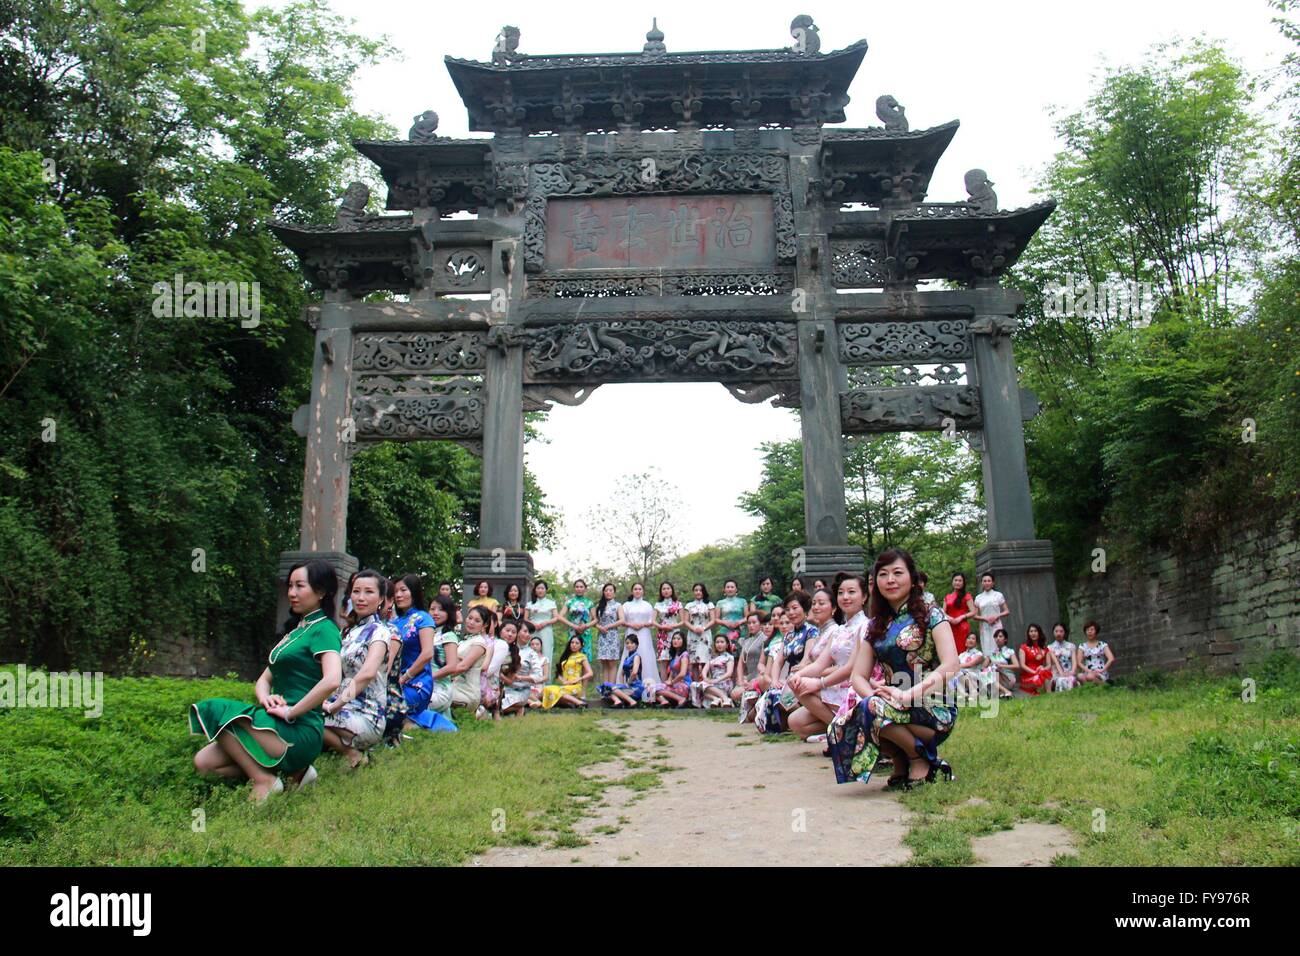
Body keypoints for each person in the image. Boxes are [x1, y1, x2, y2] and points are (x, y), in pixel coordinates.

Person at [191, 560, 342, 801]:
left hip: (300, 729)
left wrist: (292, 712)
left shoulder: (323, 629)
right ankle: (294, 775)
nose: (291, 593)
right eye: (290, 586)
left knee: (216, 710)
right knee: (204, 763)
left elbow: (332, 680)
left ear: (321, 592)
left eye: (300, 586)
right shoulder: (294, 633)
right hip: (274, 720)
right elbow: (263, 680)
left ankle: (265, 781)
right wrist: (267, 698)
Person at [827, 549, 959, 789]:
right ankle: (901, 760)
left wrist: (907, 695)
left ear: (912, 577)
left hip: (931, 706)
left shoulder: (932, 614)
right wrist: (874, 696)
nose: (890, 580)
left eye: (898, 573)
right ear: (875, 582)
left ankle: (921, 760)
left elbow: (952, 664)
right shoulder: (876, 624)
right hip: (890, 703)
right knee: (851, 717)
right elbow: (858, 675)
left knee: (872, 709)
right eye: (883, 574)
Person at [323, 570, 393, 767]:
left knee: (309, 720)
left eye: (369, 592)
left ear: (381, 599)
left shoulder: (380, 632)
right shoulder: (348, 632)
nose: (361, 598)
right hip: (340, 705)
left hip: (367, 713)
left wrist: (335, 705)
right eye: (356, 591)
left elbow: (367, 673)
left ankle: (352, 754)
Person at [787, 585, 860, 740]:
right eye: (814, 603)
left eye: (821, 603)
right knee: (795, 722)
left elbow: (843, 667)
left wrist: (817, 681)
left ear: (833, 608)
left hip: (847, 683)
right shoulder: (832, 631)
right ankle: (836, 730)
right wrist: (798, 674)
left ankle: (845, 734)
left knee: (801, 686)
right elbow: (819, 663)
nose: (816, 607)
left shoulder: (845, 628)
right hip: (829, 681)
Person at [387, 573, 438, 738]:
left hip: (416, 684)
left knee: (384, 707)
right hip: (391, 683)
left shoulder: (424, 619)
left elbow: (427, 653)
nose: (398, 595)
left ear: (414, 592)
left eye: (403, 590)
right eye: (396, 591)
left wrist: (405, 677)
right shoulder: (392, 623)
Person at [449, 606, 496, 710]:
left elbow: (463, 666)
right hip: (454, 686)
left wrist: (438, 677)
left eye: (477, 621)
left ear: (485, 625)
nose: (471, 622)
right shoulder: (462, 642)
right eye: (470, 618)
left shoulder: (479, 643)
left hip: (467, 691)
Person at [620, 582, 658, 703]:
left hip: (644, 632)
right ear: (632, 591)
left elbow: (652, 621)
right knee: (630, 655)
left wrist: (642, 624)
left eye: (639, 589)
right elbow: (622, 620)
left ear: (643, 591)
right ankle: (628, 685)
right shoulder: (626, 605)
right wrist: (631, 624)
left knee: (646, 656)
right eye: (635, 589)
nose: (637, 591)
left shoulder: (647, 605)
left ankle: (649, 688)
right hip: (631, 631)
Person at [730, 610, 769, 707]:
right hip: (748, 677)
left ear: (760, 624)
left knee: (738, 693)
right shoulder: (747, 641)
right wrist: (740, 680)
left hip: (760, 677)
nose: (751, 625)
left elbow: (765, 663)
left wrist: (756, 680)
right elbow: (740, 665)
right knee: (734, 693)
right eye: (749, 623)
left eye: (754, 623)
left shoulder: (765, 639)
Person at [542, 635, 592, 709]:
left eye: (577, 643)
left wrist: (579, 679)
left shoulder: (582, 656)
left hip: (576, 686)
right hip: (566, 686)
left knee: (556, 691)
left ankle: (580, 703)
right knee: (547, 689)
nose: (574, 645)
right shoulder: (566, 656)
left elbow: (590, 673)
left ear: (581, 645)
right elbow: (558, 673)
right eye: (572, 642)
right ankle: (570, 703)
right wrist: (564, 681)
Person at [481, 620, 516, 719]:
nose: (510, 634)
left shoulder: (515, 655)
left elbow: (510, 681)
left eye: (514, 632)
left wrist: (500, 675)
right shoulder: (492, 644)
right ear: (500, 630)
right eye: (507, 630)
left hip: (500, 685)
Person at [599, 635, 646, 708]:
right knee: (603, 687)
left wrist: (628, 683)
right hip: (628, 687)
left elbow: (634, 672)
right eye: (627, 643)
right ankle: (618, 701)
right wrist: (622, 685)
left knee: (610, 688)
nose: (629, 645)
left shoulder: (636, 656)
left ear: (636, 645)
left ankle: (632, 702)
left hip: (636, 687)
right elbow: (621, 674)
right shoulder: (626, 658)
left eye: (632, 643)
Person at [692, 633, 735, 707]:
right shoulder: (712, 658)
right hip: (712, 683)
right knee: (694, 685)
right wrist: (706, 679)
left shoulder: (729, 657)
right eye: (717, 642)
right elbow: (704, 671)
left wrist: (716, 680)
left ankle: (725, 699)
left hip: (724, 682)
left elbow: (729, 673)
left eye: (722, 642)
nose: (719, 644)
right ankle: (716, 699)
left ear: (727, 644)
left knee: (704, 686)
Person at [972, 572, 1010, 658]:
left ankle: (998, 668)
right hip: (984, 626)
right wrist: (985, 618)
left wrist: (997, 616)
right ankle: (988, 670)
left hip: (996, 625)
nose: (987, 583)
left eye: (989, 581)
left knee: (997, 647)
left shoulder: (998, 595)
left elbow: (1007, 611)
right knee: (986, 649)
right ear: (982, 583)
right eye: (984, 581)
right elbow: (974, 615)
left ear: (993, 583)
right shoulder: (978, 597)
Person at [653, 581, 683, 682]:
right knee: (663, 660)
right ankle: (663, 688)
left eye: (668, 588)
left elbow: (683, 621)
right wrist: (662, 627)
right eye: (663, 589)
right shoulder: (658, 604)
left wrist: (673, 626)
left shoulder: (678, 604)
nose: (666, 591)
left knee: (676, 660)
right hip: (663, 635)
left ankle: (676, 686)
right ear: (661, 591)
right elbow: (652, 621)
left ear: (672, 590)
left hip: (675, 634)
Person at [684, 582, 715, 680]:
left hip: (705, 634)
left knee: (706, 660)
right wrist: (694, 628)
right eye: (696, 590)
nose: (698, 592)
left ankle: (708, 683)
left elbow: (713, 620)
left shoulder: (709, 605)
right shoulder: (689, 605)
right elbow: (685, 621)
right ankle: (696, 684)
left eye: (700, 590)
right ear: (693, 592)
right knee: (694, 662)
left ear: (703, 592)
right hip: (693, 635)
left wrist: (703, 628)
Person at [594, 582, 624, 685]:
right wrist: (599, 627)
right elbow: (594, 621)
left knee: (612, 663)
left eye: (610, 590)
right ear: (603, 592)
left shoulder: (618, 605)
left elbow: (622, 620)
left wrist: (607, 626)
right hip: (602, 636)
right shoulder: (599, 605)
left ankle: (611, 689)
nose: (608, 592)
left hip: (613, 635)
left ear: (614, 593)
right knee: (604, 663)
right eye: (606, 590)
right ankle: (605, 689)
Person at [525, 580, 560, 666]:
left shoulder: (551, 603)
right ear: (535, 590)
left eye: (542, 588)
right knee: (531, 651)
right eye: (538, 588)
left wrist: (546, 623)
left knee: (546, 652)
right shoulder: (529, 604)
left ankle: (546, 678)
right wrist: (533, 624)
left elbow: (556, 618)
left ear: (546, 590)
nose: (540, 590)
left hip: (546, 630)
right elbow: (525, 619)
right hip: (533, 630)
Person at [560, 579, 596, 662]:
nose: (579, 589)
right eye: (577, 587)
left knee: (584, 658)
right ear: (574, 588)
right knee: (572, 657)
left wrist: (586, 626)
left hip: (585, 633)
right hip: (573, 632)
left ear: (585, 589)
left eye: (581, 587)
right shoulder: (569, 602)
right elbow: (560, 616)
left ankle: (584, 675)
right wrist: (573, 626)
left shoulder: (589, 603)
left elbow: (596, 619)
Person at [714, 579, 749, 656]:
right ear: (724, 589)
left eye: (732, 587)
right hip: (724, 631)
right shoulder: (720, 602)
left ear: (736, 589)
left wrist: (739, 622)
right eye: (728, 587)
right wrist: (725, 622)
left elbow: (748, 617)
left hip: (740, 631)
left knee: (740, 655)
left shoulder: (743, 601)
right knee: (725, 655)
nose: (730, 589)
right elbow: (716, 619)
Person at [950, 632, 988, 702]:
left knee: (959, 672)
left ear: (976, 643)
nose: (970, 640)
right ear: (966, 641)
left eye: (973, 639)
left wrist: (956, 666)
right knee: (951, 674)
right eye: (968, 638)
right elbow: (953, 664)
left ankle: (973, 692)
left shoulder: (979, 654)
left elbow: (970, 664)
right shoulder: (961, 655)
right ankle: (963, 694)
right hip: (961, 676)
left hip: (974, 676)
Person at [943, 572, 975, 655]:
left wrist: (961, 617)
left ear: (963, 583)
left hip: (962, 626)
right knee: (951, 650)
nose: (957, 582)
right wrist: (950, 618)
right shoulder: (947, 597)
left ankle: (964, 666)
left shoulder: (967, 596)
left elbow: (973, 612)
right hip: (950, 626)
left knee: (962, 649)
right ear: (952, 582)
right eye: (955, 580)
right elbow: (942, 612)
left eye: (960, 581)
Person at [656, 632, 690, 707]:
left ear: (683, 641)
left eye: (678, 639)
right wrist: (668, 681)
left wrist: (672, 682)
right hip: (675, 684)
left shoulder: (684, 655)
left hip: (684, 684)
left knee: (655, 688)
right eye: (674, 639)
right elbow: (672, 673)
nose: (675, 640)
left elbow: (682, 674)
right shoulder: (674, 656)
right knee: (650, 688)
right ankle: (664, 702)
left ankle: (681, 699)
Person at [1018, 623, 1053, 695]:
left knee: (1045, 672)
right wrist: (1034, 672)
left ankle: (1048, 694)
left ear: (1039, 633)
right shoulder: (1023, 647)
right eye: (1031, 631)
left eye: (1035, 631)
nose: (1033, 633)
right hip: (1027, 677)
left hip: (1040, 674)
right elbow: (1022, 665)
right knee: (1040, 676)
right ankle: (1043, 691)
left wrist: (1043, 668)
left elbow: (1049, 665)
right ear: (1028, 634)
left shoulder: (1045, 649)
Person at [984, 627, 1018, 698]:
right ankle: (1004, 692)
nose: (998, 638)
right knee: (986, 672)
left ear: (1005, 639)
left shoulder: (1009, 651)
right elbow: (984, 667)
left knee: (993, 671)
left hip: (1008, 678)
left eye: (1000, 636)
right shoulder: (991, 653)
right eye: (996, 637)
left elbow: (1016, 665)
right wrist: (989, 659)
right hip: (996, 678)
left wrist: (1002, 666)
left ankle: (1002, 692)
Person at [1047, 622, 1077, 692]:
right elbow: (1054, 663)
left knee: (1071, 679)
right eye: (1056, 631)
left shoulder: (1071, 646)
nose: (1058, 633)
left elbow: (1074, 662)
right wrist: (1062, 674)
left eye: (1061, 631)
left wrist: (1072, 672)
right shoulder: (1050, 647)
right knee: (1061, 680)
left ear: (1064, 632)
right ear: (1053, 632)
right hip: (1057, 674)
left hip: (1069, 672)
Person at [524, 632, 549, 706]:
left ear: (541, 646)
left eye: (537, 644)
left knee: (524, 694)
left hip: (538, 685)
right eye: (532, 644)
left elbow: (546, 677)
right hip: (527, 684)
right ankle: (535, 703)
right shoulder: (526, 658)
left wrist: (536, 680)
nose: (534, 646)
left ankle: (533, 701)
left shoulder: (544, 659)